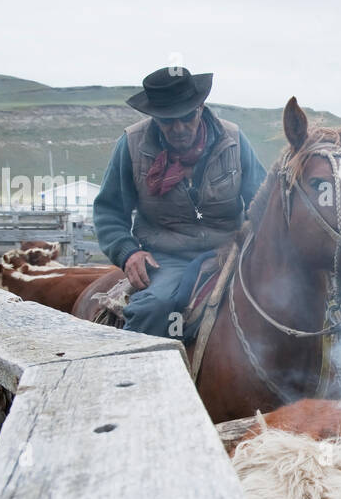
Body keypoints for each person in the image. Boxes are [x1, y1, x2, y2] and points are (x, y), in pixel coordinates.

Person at [93, 66, 265, 337]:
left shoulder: (234, 141)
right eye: (167, 121)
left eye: (186, 117)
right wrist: (128, 252)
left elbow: (260, 203)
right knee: (153, 307)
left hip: (232, 251)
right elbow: (109, 211)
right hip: (167, 257)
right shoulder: (131, 145)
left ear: (200, 108)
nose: (179, 129)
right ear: (154, 117)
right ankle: (138, 374)